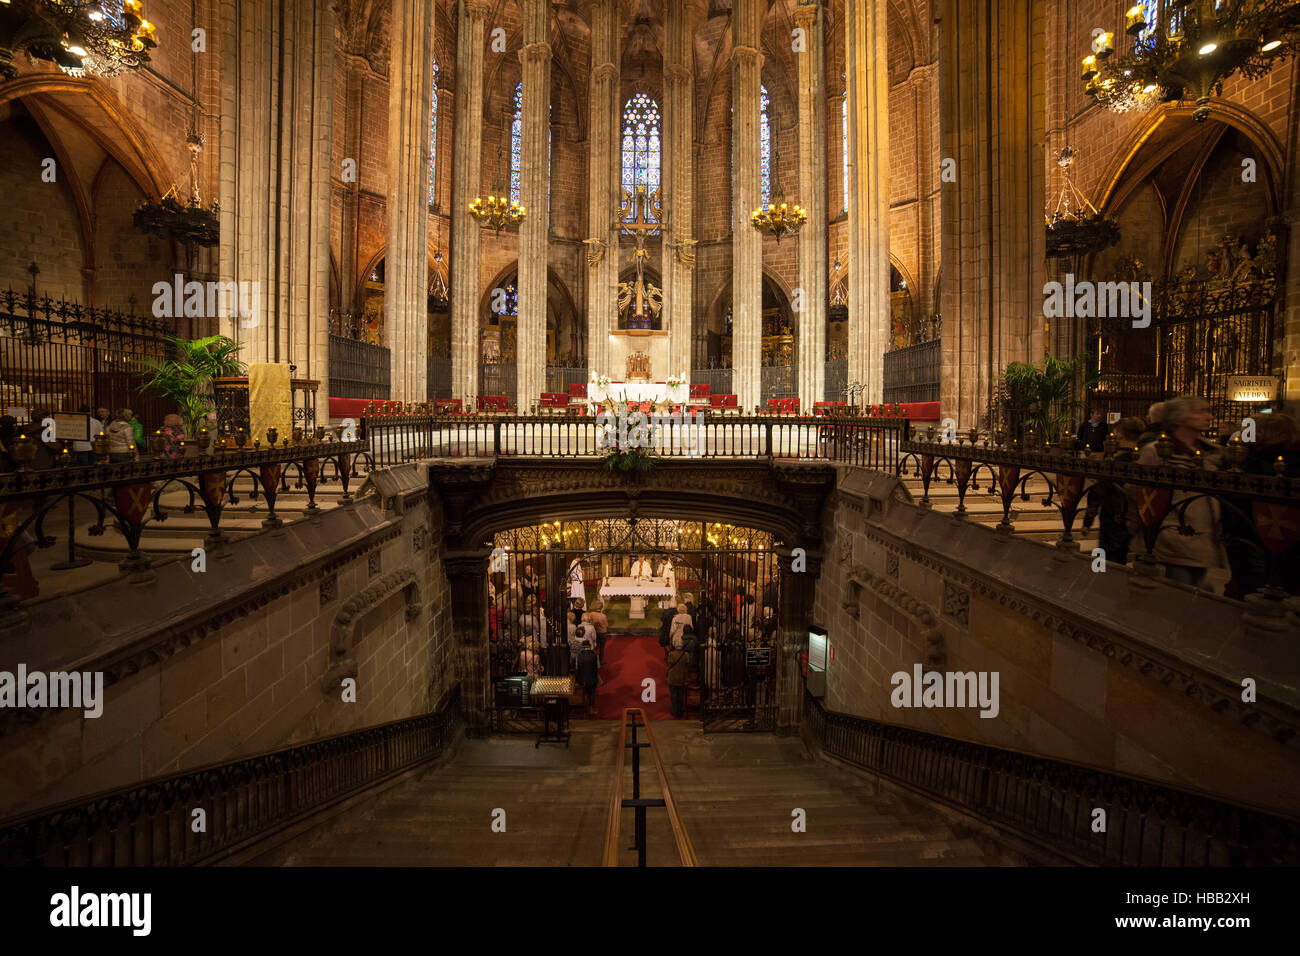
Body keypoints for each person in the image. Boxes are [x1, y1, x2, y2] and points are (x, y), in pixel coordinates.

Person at [1134, 396, 1224, 589]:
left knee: (1196, 595)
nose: (1208, 416)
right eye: (1200, 411)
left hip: (1204, 534)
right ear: (1178, 418)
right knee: (1178, 596)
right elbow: (1142, 495)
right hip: (1173, 536)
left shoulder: (1212, 453)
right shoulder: (1156, 452)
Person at [1094, 416, 1143, 566]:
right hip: (1134, 517)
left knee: (1105, 559)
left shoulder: (1114, 459)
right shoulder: (1143, 457)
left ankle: (1099, 583)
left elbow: (1102, 488)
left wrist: (1090, 514)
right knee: (1121, 556)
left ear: (1120, 434)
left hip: (1113, 513)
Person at [666, 636, 689, 718]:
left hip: (673, 677)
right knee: (680, 695)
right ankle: (680, 710)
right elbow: (687, 665)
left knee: (673, 695)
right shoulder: (685, 654)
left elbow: (669, 662)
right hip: (682, 676)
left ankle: (675, 710)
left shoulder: (671, 654)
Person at [575, 638, 599, 711]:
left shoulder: (578, 656)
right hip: (592, 677)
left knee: (583, 692)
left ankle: (583, 706)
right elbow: (598, 666)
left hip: (581, 678)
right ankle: (591, 707)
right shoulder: (594, 656)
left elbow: (576, 668)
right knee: (592, 692)